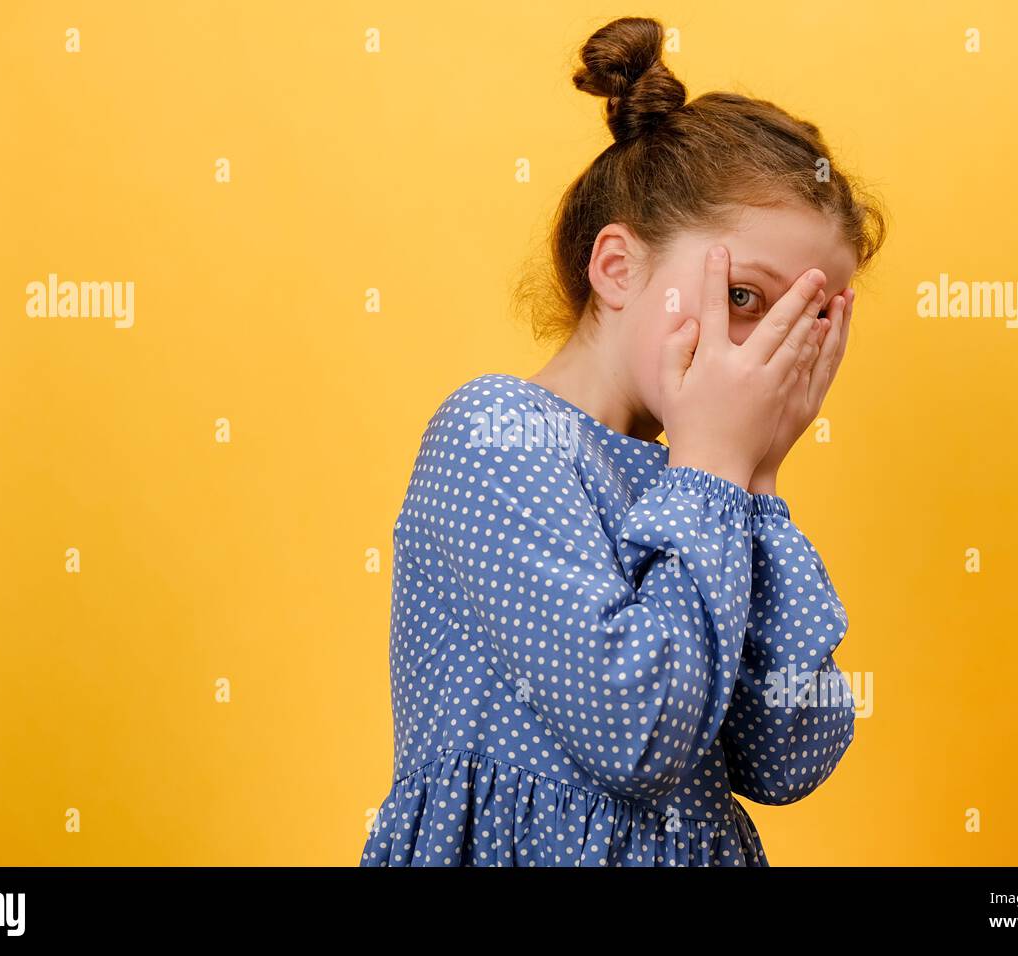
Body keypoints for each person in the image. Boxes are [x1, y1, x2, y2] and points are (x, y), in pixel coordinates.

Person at [361, 15, 885, 867]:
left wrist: (756, 478)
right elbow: (634, 732)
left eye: (810, 322)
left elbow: (792, 754)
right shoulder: (497, 436)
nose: (768, 351)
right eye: (749, 300)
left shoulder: (701, 482)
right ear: (619, 269)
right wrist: (718, 463)